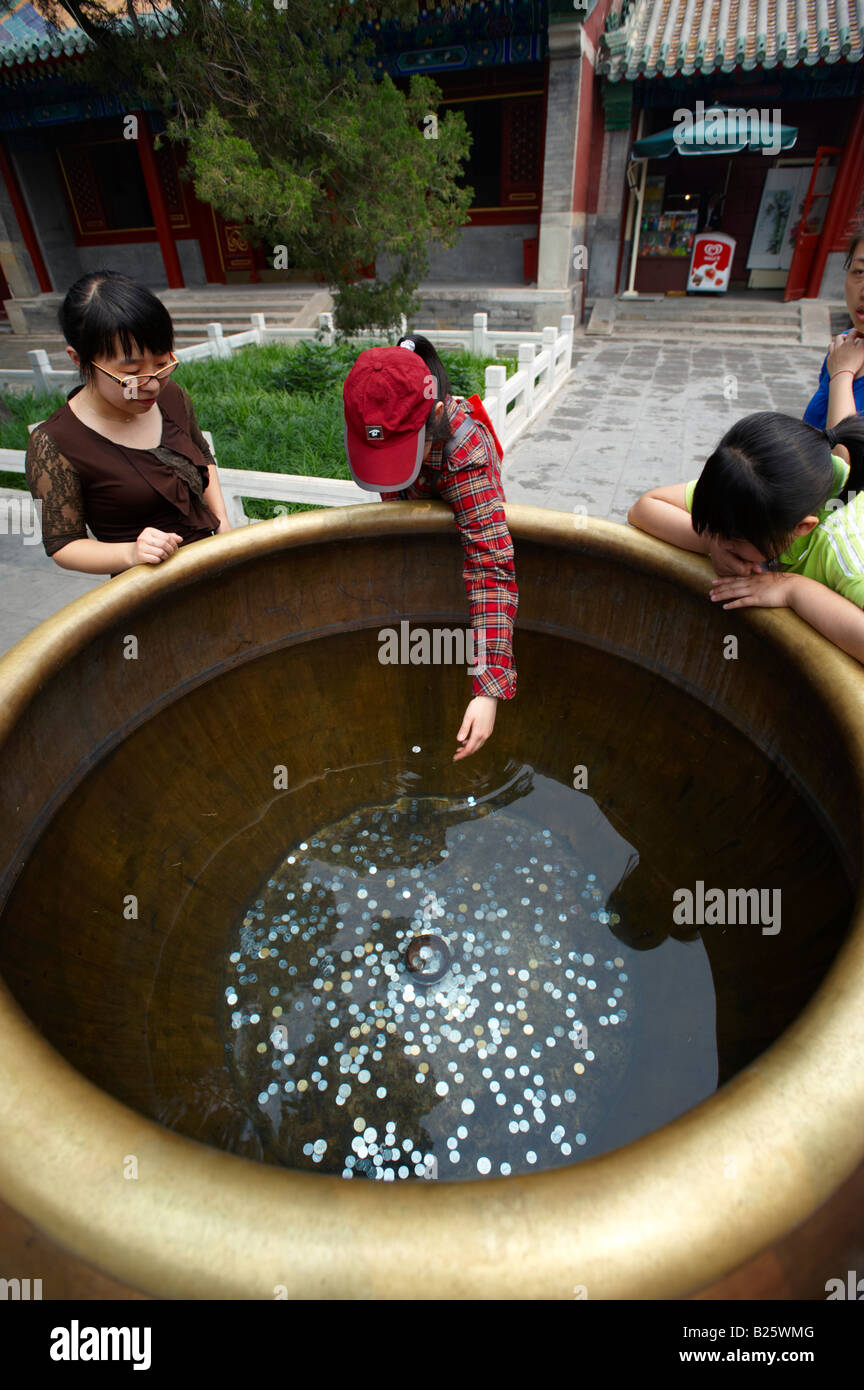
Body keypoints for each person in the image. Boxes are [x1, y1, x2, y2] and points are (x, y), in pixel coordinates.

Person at [342, 334, 517, 762]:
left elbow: (489, 567)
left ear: (436, 416)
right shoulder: (373, 409)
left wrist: (488, 689)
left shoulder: (464, 451)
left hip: (462, 534)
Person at [25, 271, 230, 577]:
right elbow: (63, 545)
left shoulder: (171, 396)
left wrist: (222, 522)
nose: (152, 386)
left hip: (212, 565)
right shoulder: (52, 443)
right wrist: (131, 552)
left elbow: (201, 454)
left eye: (162, 364)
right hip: (146, 592)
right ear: (79, 360)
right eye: (132, 372)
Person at [627, 411, 864, 662]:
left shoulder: (845, 545)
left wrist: (793, 589)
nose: (723, 540)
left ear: (802, 527)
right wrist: (711, 542)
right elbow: (644, 508)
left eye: (733, 538)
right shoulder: (757, 488)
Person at [803, 227, 864, 463]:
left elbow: (848, 465)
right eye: (859, 272)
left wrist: (842, 374)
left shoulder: (842, 360)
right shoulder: (846, 343)